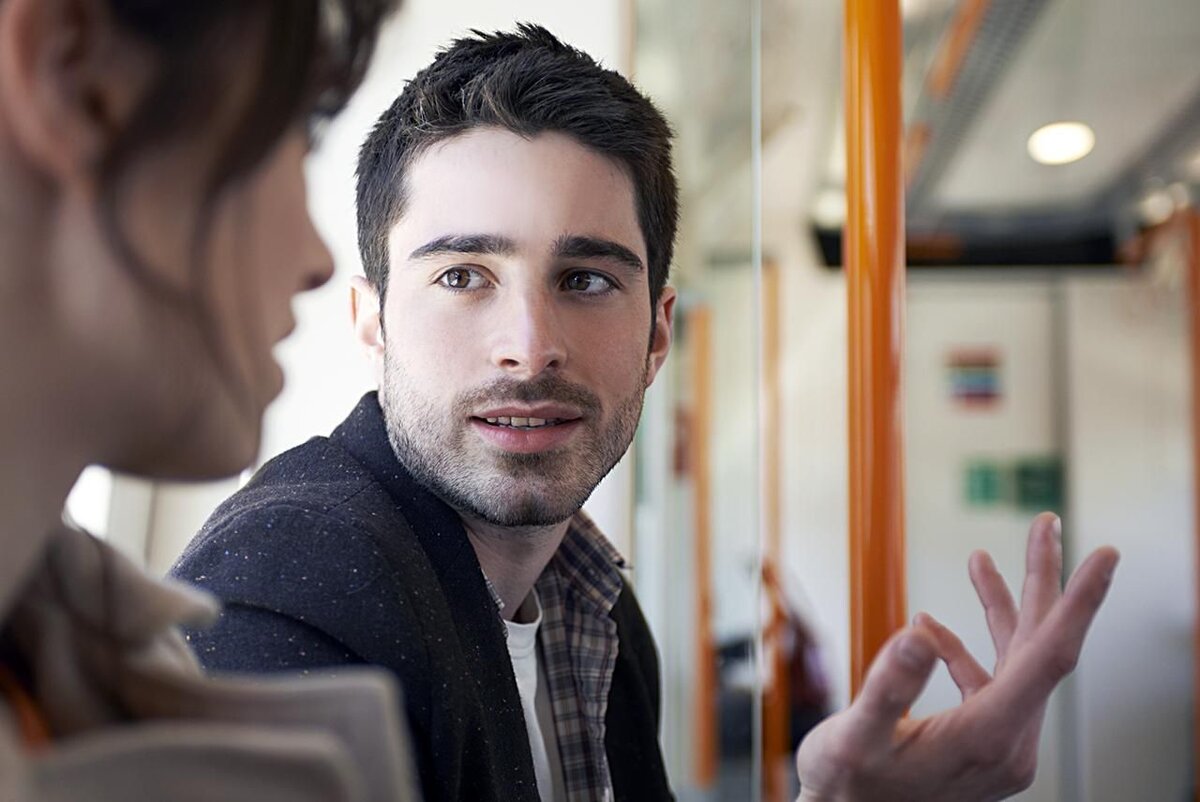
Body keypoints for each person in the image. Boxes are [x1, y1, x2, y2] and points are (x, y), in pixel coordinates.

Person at [172, 24, 1120, 802]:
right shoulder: (286, 592)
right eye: (463, 276)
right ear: (371, 322)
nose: (530, 344)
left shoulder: (599, 606)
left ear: (659, 332)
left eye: (585, 279)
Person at [0, 0, 420, 799]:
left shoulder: (76, 669)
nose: (318, 259)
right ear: (81, 80)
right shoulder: (290, 565)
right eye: (303, 128)